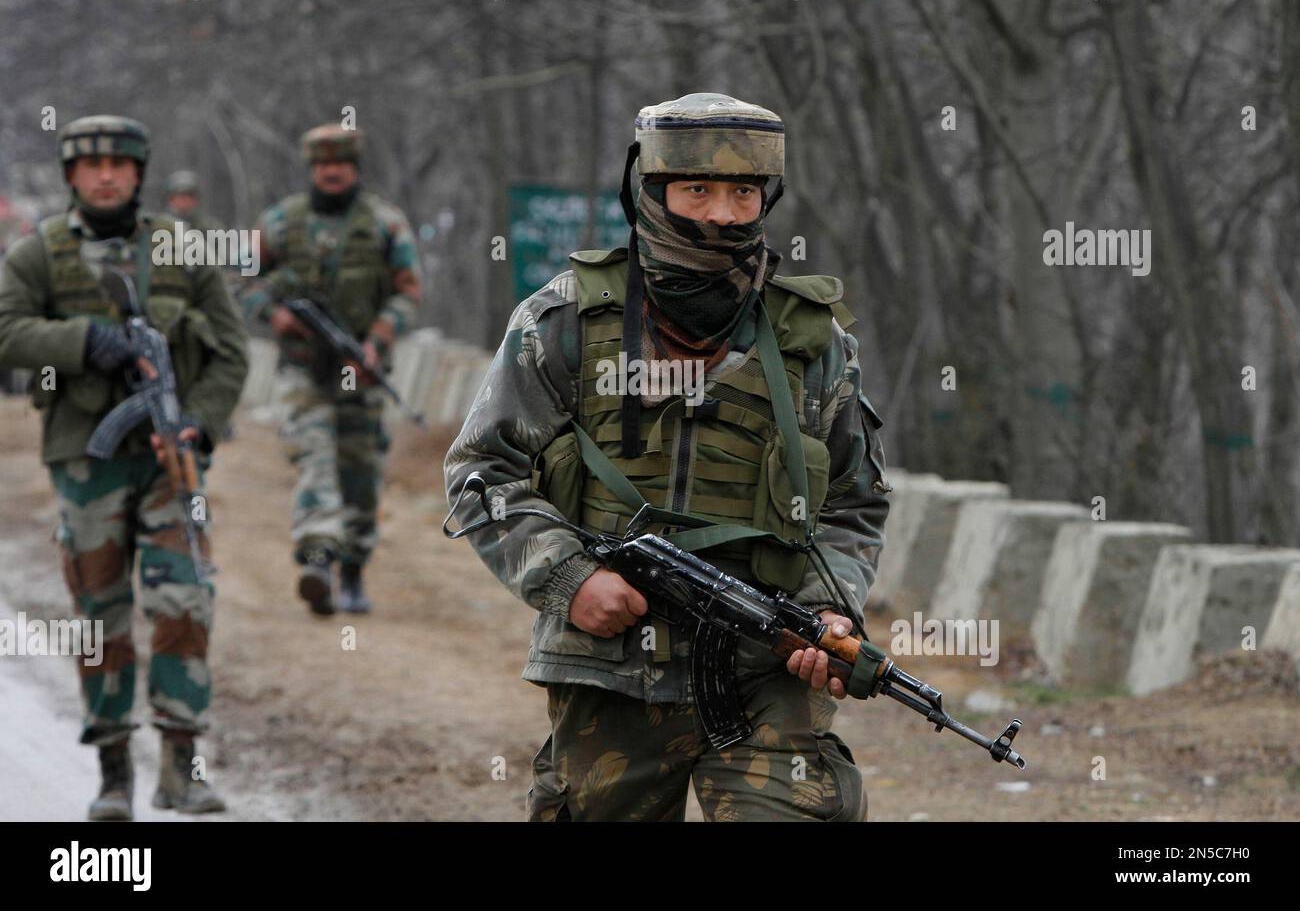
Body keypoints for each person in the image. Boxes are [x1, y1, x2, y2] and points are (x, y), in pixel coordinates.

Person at [444, 93, 892, 821]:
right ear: (651, 192)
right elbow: (478, 472)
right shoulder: (562, 324)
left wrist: (828, 610)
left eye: (743, 192)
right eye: (698, 190)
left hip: (765, 670)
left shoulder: (814, 344)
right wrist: (566, 575)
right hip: (611, 666)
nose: (721, 214)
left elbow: (854, 501)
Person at [0, 115, 249, 819]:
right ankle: (114, 774)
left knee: (185, 599)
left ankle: (182, 766)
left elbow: (231, 349)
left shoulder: (184, 251)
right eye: (91, 164)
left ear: (139, 173)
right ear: (71, 176)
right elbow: (5, 330)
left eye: (119, 163)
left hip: (172, 458)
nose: (105, 174)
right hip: (88, 458)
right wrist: (87, 342)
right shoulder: (40, 254)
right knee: (98, 611)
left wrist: (198, 419)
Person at [243, 124, 421, 615]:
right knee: (315, 458)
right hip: (303, 372)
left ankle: (354, 572)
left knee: (360, 472)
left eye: (340, 163)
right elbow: (244, 283)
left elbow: (408, 292)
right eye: (323, 165)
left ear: (355, 167)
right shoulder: (279, 224)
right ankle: (318, 561)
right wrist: (273, 314)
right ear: (311, 169)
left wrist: (377, 337)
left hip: (360, 370)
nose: (332, 172)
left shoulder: (385, 224)